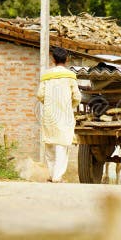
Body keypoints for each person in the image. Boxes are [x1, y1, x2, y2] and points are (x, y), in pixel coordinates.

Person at [37, 47, 81, 183]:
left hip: (49, 114)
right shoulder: (70, 76)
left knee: (50, 144)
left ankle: (51, 175)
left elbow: (40, 95)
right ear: (66, 59)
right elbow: (77, 97)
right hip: (65, 115)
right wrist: (70, 106)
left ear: (53, 59)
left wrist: (49, 103)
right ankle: (57, 177)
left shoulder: (46, 76)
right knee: (62, 146)